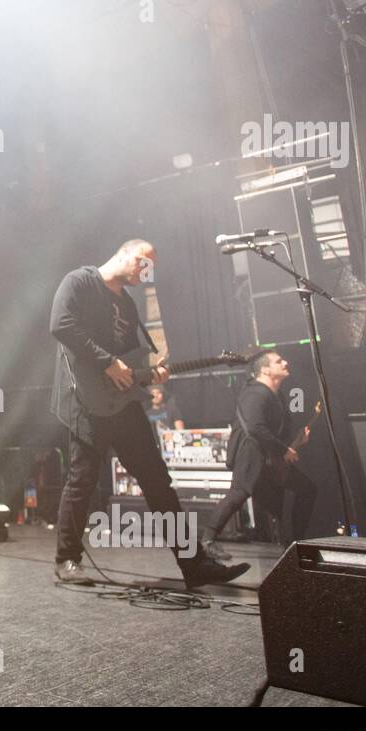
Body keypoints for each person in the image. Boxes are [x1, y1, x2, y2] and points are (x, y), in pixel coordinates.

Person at [49, 239, 249, 588]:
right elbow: (61, 325)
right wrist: (107, 362)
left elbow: (131, 363)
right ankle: (67, 559)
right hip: (85, 399)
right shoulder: (80, 281)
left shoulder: (128, 306)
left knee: (158, 481)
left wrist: (150, 373)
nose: (147, 272)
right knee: (83, 480)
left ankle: (194, 565)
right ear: (125, 252)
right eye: (144, 263)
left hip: (122, 404)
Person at [202, 350, 317, 557]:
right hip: (251, 453)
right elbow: (255, 427)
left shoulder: (276, 395)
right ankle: (207, 542)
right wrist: (285, 449)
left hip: (268, 457)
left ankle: (294, 543)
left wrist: (297, 440)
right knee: (238, 494)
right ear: (264, 369)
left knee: (303, 490)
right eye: (278, 361)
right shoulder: (255, 392)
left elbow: (273, 429)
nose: (285, 362)